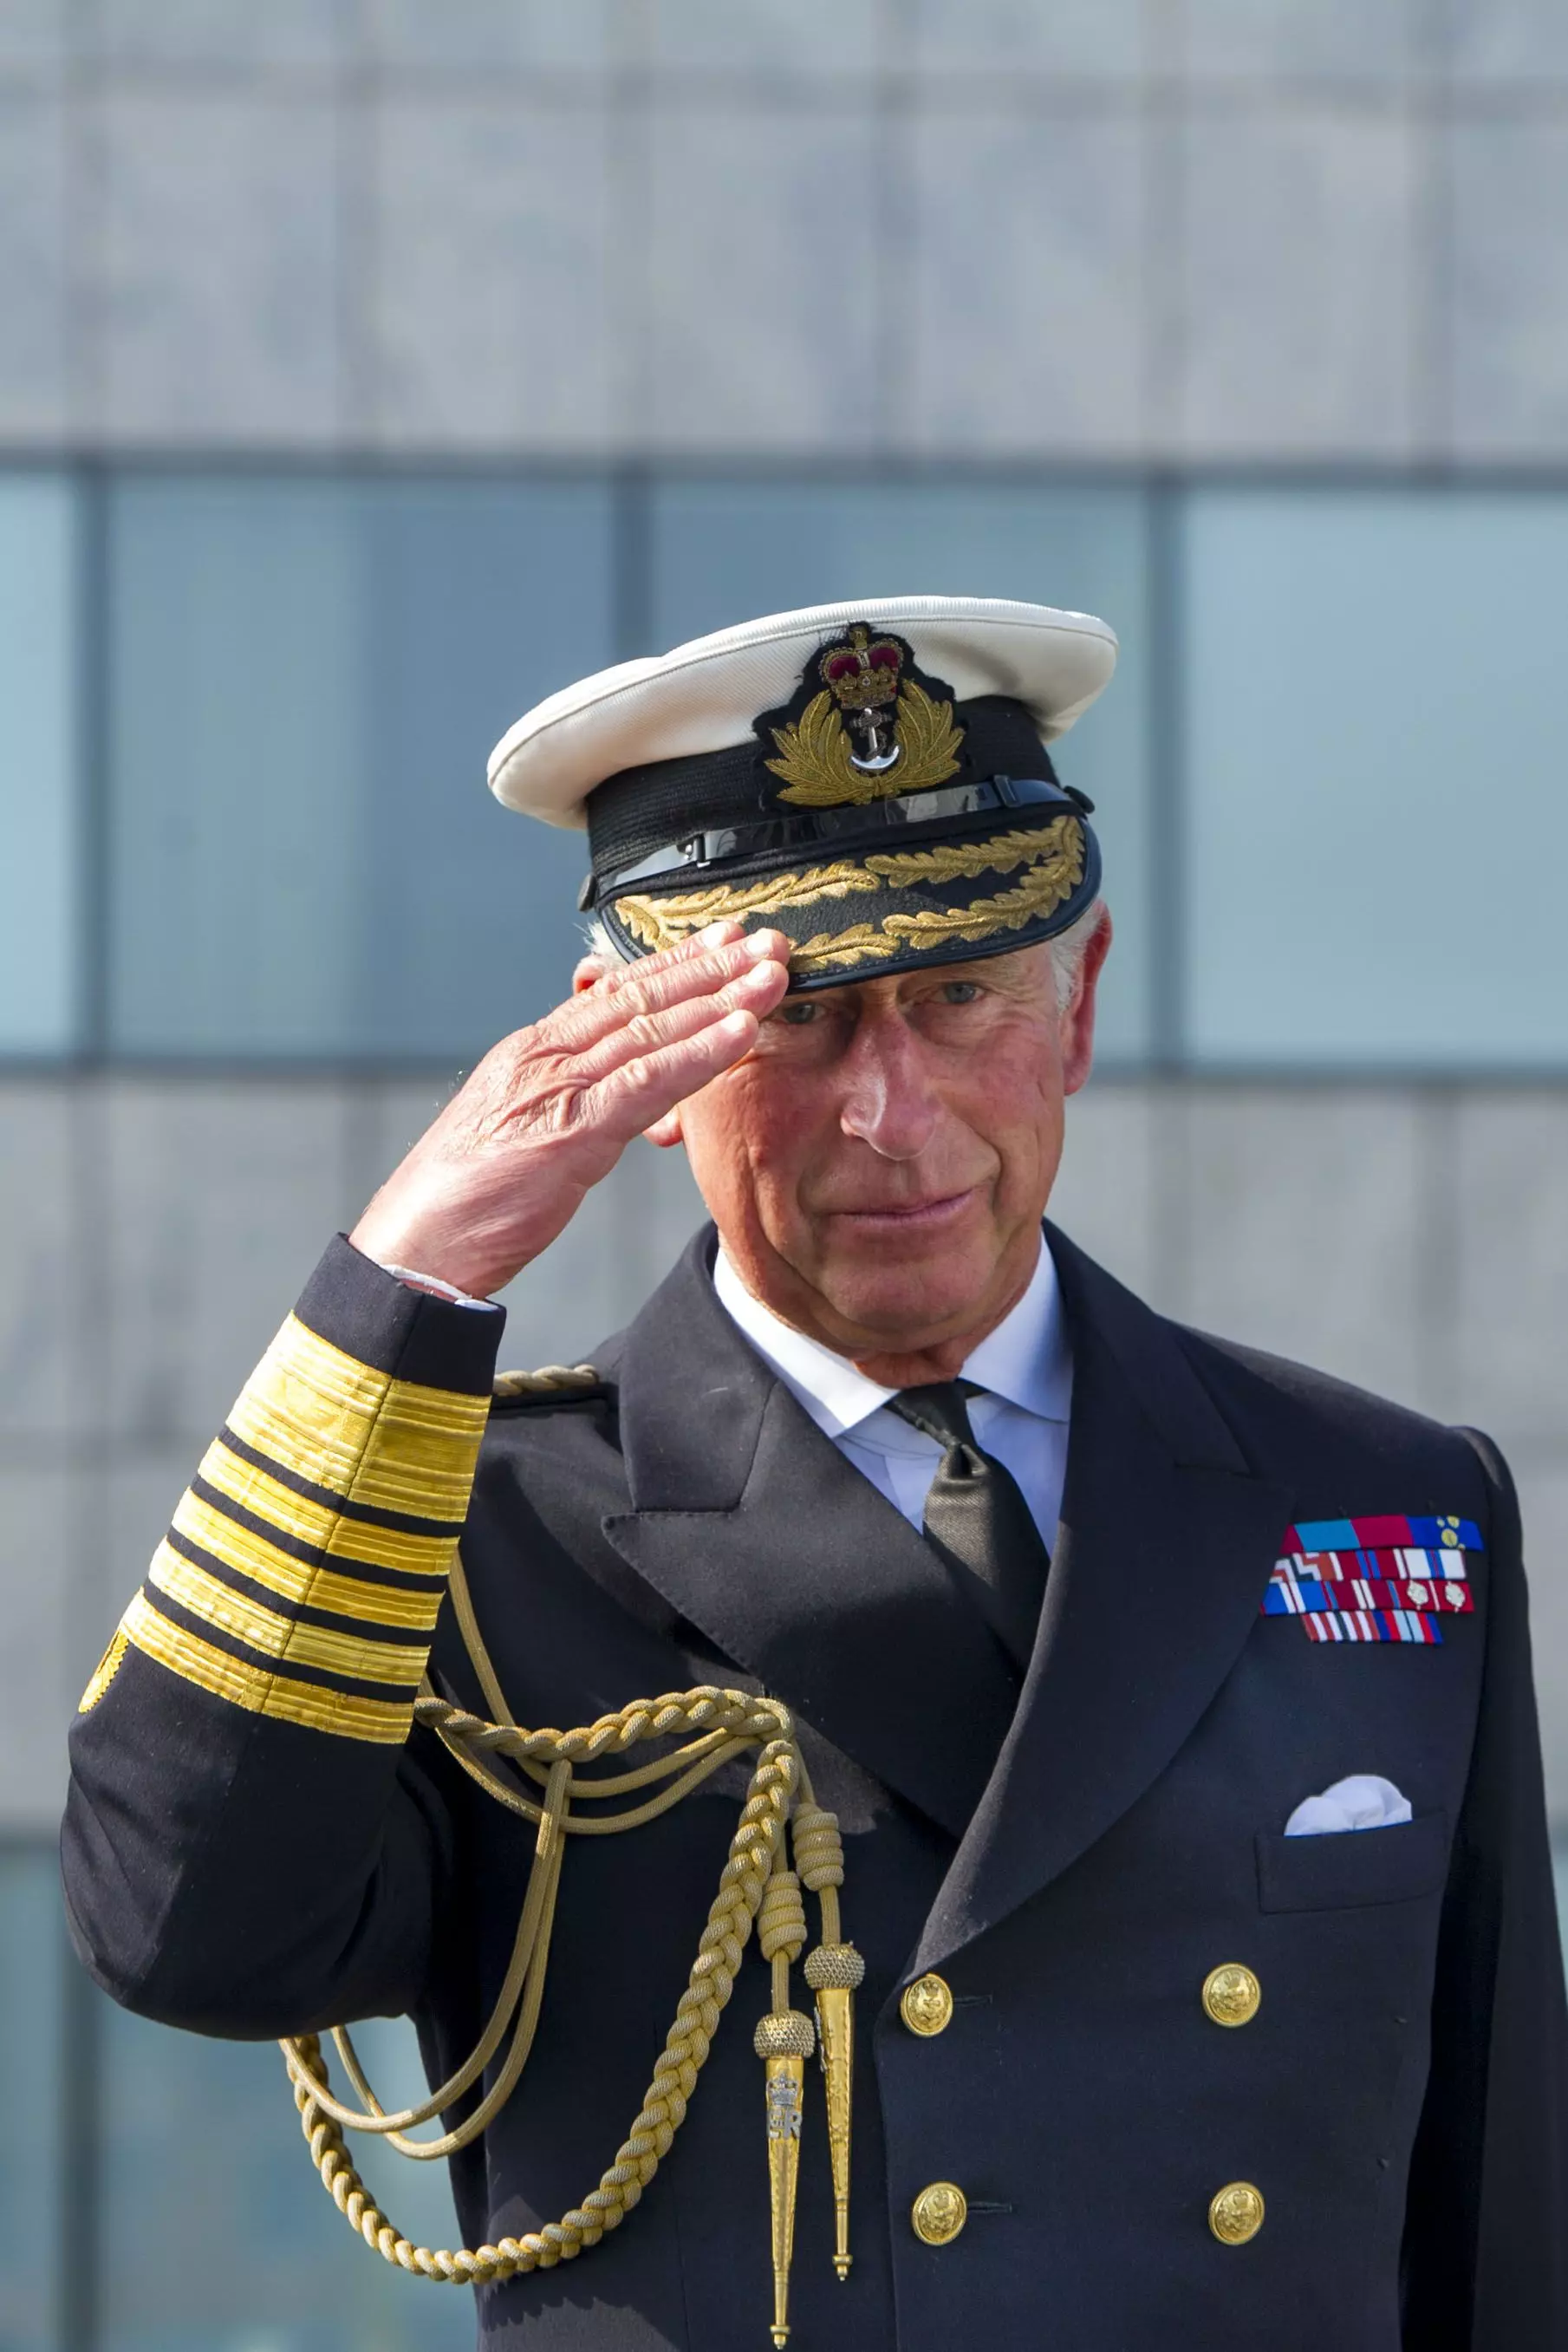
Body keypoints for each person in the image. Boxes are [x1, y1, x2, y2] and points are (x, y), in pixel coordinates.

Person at [62, 598, 1568, 2351]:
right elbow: (180, 1931)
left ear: (1073, 1003)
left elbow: (1496, 2227)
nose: (895, 1116)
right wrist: (405, 1288)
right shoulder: (474, 1540)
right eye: (804, 1025)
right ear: (629, 1054)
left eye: (956, 996)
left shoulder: (1380, 1500)